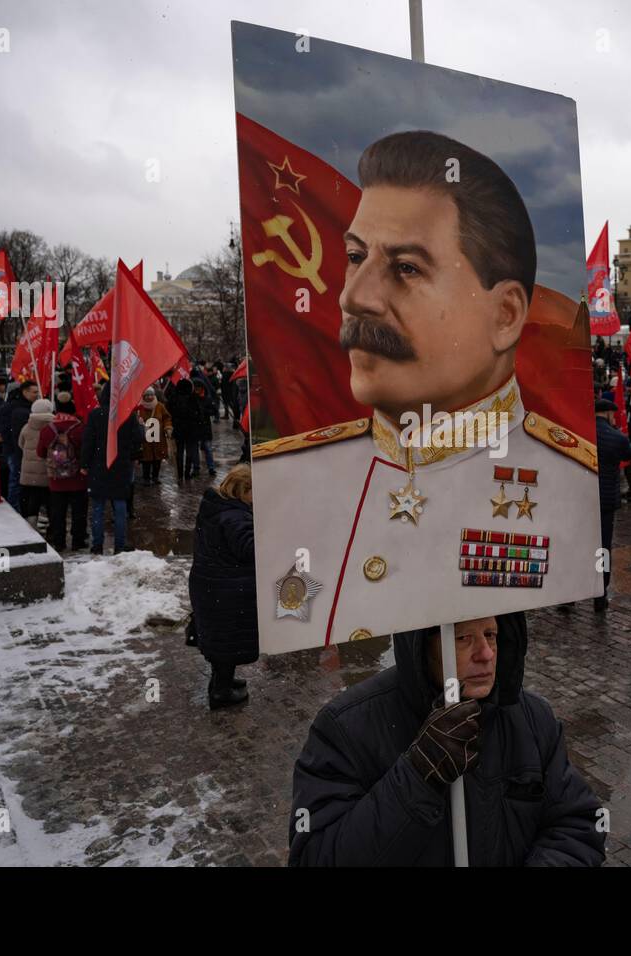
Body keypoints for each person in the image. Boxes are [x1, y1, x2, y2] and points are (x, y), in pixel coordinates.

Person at [252, 130, 602, 650]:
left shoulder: (570, 483)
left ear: (505, 315)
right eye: (354, 256)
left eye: (406, 268)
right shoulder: (285, 479)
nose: (353, 296)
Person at [288, 613, 605, 866]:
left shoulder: (533, 718)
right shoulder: (346, 727)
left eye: (491, 634)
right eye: (463, 638)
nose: (485, 654)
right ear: (422, 647)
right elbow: (315, 856)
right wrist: (416, 777)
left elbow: (578, 824)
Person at [189, 463, 259, 708]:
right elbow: (249, 549)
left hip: (211, 584)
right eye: (254, 493)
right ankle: (220, 692)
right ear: (243, 491)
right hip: (226, 589)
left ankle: (222, 681)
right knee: (227, 641)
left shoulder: (216, 505)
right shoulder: (234, 516)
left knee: (219, 638)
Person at [81, 385, 143, 554]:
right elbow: (138, 439)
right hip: (120, 464)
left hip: (99, 465)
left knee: (98, 508)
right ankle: (120, 545)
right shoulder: (127, 414)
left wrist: (84, 464)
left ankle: (97, 545)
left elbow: (88, 441)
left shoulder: (95, 414)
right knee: (120, 506)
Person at [594, 398, 631, 612]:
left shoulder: (584, 433)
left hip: (582, 499)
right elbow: (629, 453)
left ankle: (569, 596)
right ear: (609, 414)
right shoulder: (616, 437)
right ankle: (600, 594)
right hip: (605, 501)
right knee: (602, 549)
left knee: (577, 545)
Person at [35, 392, 87, 552]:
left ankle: (59, 541)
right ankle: (78, 541)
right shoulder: (80, 428)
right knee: (79, 511)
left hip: (56, 479)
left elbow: (40, 453)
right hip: (77, 478)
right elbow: (85, 452)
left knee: (58, 512)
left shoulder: (47, 429)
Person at [0, 380, 37, 511]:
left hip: (18, 449)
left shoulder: (19, 405)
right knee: (16, 478)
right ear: (24, 392)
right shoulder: (16, 408)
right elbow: (9, 431)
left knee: (18, 479)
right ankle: (15, 508)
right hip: (15, 450)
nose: (36, 395)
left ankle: (22, 507)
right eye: (34, 392)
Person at [16, 397, 53, 526]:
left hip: (29, 471)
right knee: (50, 499)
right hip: (47, 470)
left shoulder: (27, 426)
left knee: (32, 498)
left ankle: (31, 524)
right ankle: (53, 527)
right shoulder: (53, 426)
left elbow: (20, 444)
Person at [167, 377, 203, 481]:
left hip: (178, 428)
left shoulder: (174, 398)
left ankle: (180, 474)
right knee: (190, 452)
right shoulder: (193, 398)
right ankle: (187, 473)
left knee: (179, 452)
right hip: (191, 429)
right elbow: (199, 414)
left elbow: (168, 412)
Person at [137, 387, 171, 485]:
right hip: (145, 438)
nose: (149, 397)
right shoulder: (139, 408)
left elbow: (166, 417)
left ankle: (155, 477)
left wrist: (168, 427)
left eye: (151, 394)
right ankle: (146, 478)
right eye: (147, 395)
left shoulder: (160, 406)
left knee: (158, 458)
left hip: (158, 438)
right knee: (146, 459)